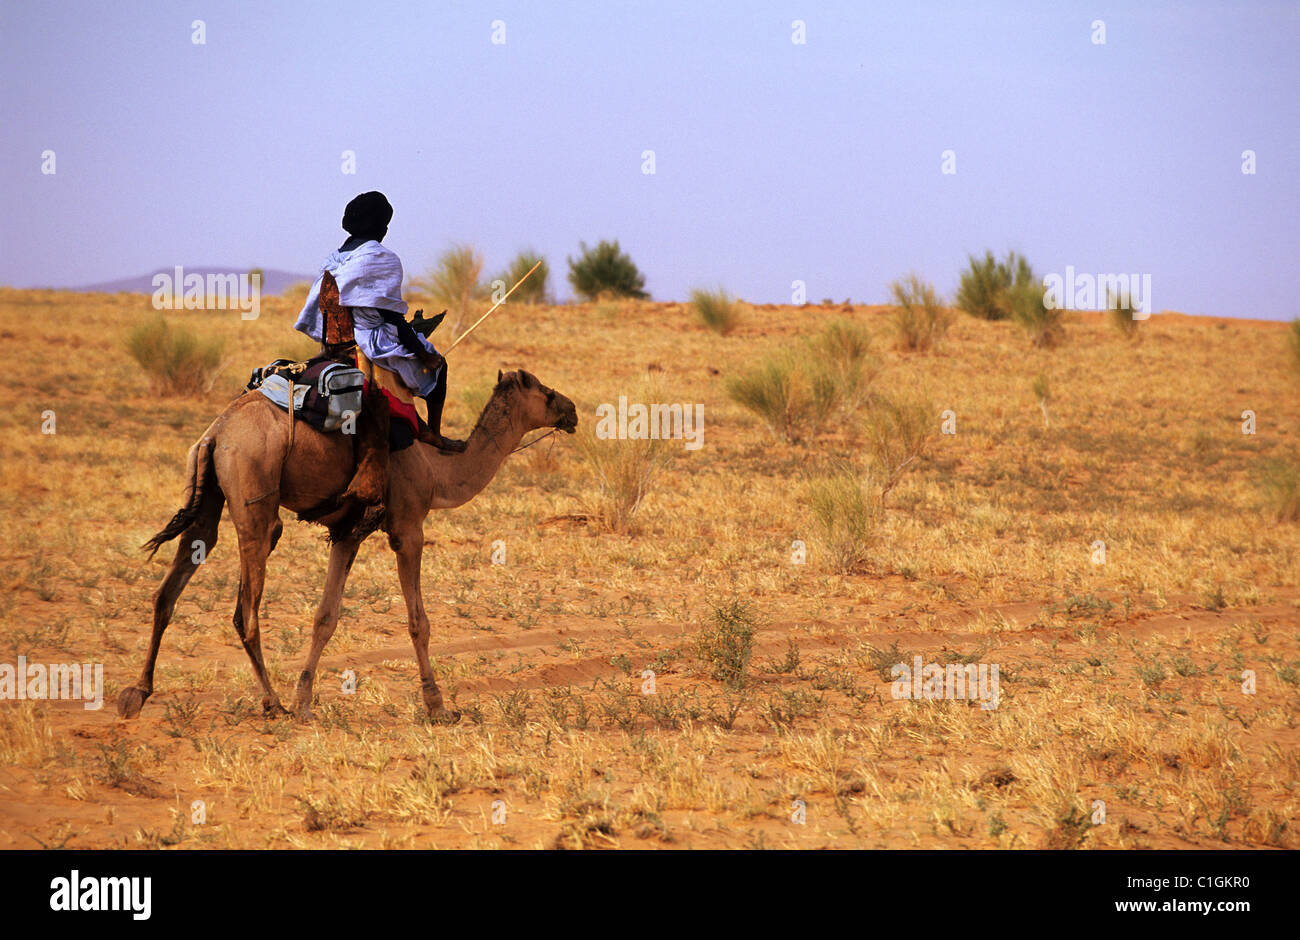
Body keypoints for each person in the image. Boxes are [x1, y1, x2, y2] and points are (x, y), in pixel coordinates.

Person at [294, 191, 465, 452]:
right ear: (381, 227)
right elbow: (391, 316)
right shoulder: (381, 257)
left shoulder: (334, 259)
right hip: (370, 342)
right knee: (439, 367)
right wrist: (422, 353)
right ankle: (435, 435)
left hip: (334, 343)